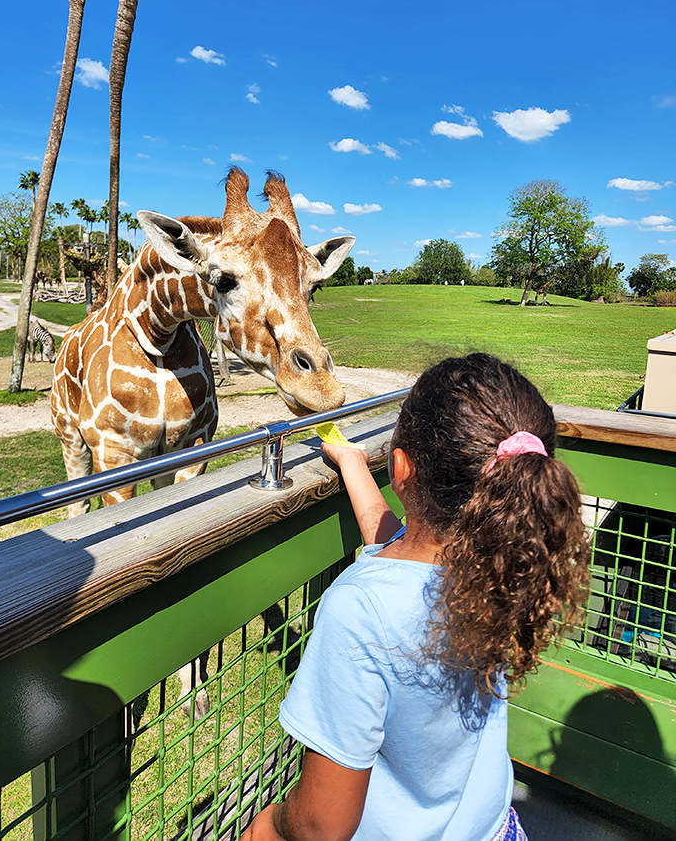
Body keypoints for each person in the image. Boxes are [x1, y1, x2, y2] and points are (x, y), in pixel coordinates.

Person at [241, 353, 589, 841]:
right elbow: (394, 543)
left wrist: (269, 828)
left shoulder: (360, 611)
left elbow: (322, 826)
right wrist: (352, 463)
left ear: (401, 467)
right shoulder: (506, 563)